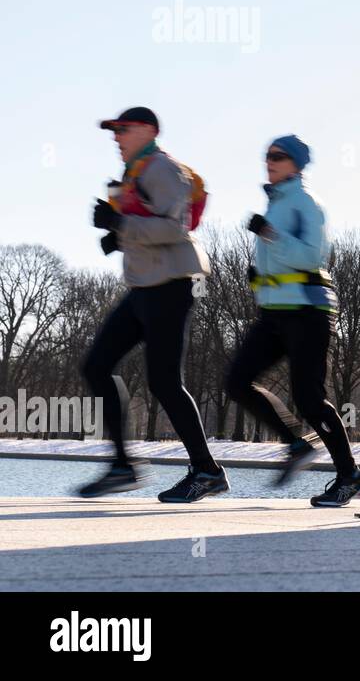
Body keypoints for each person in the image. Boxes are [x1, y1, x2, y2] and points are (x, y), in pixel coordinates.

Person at [79, 107, 229, 501]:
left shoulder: (162, 168)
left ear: (148, 130)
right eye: (113, 131)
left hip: (171, 285)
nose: (116, 137)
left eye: (122, 129)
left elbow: (174, 226)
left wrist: (119, 226)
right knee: (96, 365)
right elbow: (147, 224)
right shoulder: (136, 174)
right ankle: (123, 466)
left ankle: (207, 471)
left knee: (163, 381)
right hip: (145, 287)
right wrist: (118, 234)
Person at [225, 135, 360, 507]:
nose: (269, 161)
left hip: (309, 311)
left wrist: (269, 235)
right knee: (236, 381)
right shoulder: (276, 204)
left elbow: (312, 256)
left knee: (309, 398)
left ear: (297, 164)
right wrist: (259, 278)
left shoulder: (306, 203)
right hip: (274, 313)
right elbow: (283, 261)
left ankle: (350, 476)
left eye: (277, 156)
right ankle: (295, 444)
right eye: (267, 156)